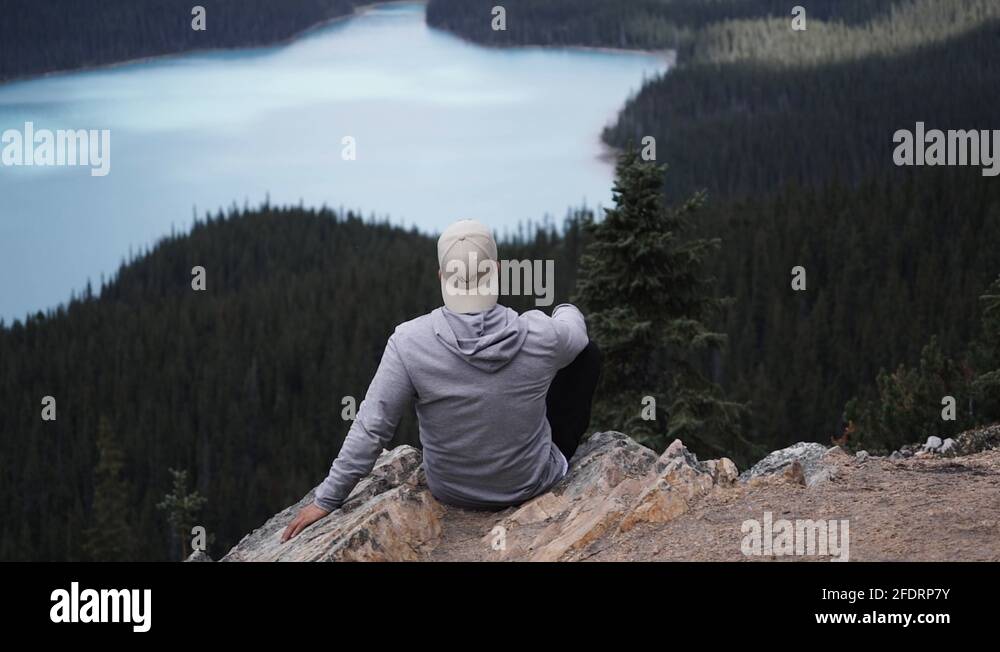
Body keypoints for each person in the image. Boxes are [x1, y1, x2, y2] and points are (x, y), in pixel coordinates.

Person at [282, 219, 601, 541]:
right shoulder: (539, 332)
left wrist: (328, 499)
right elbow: (578, 335)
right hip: (531, 482)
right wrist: (564, 308)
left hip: (450, 490)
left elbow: (372, 424)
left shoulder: (409, 340)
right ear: (498, 270)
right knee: (587, 356)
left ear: (441, 277)